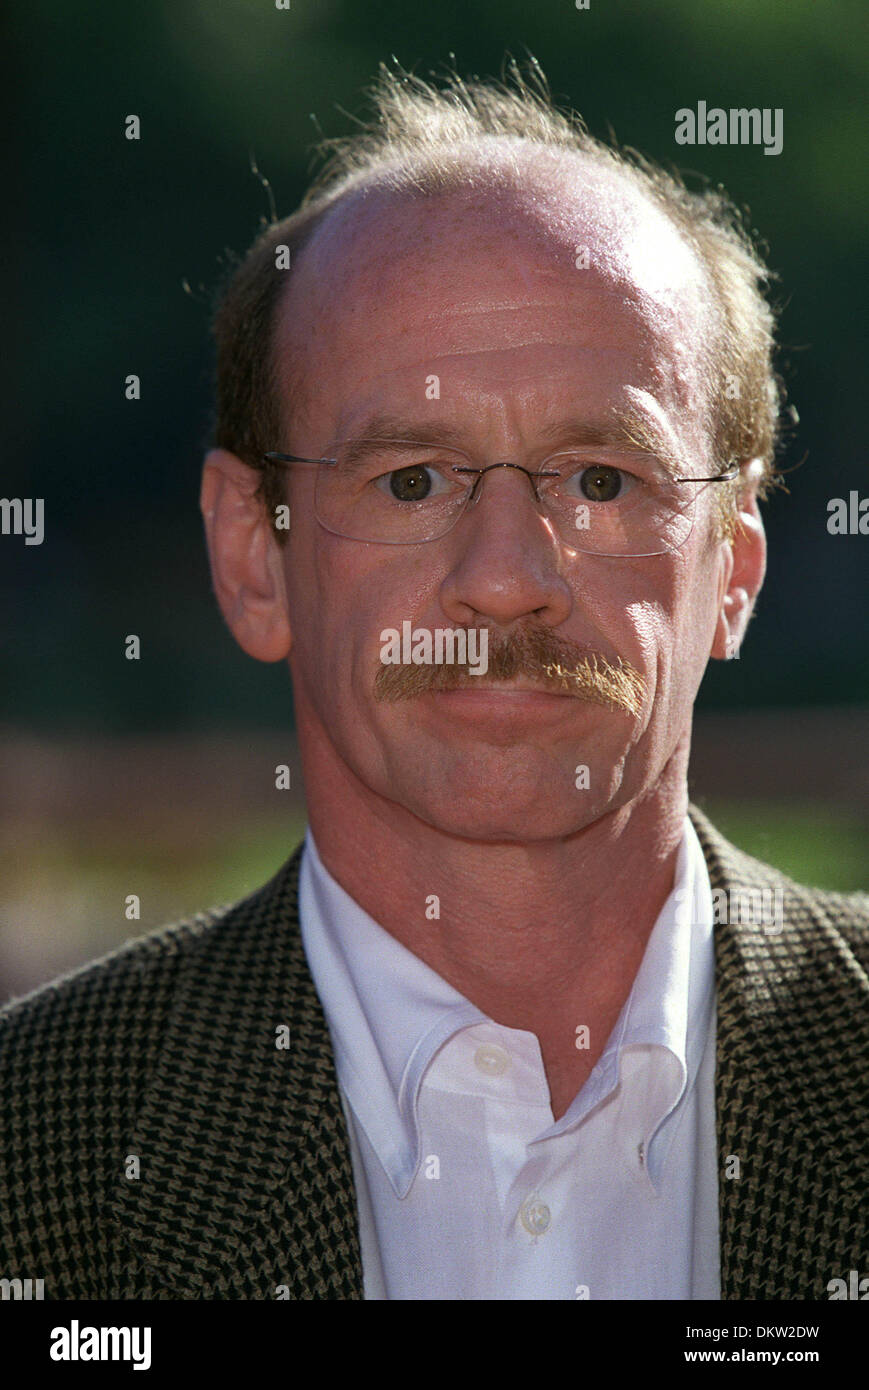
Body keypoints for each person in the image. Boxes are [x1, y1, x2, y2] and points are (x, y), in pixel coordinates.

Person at [1, 60, 866, 1302]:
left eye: (600, 480)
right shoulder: (29, 1155)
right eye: (410, 481)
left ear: (729, 569)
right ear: (254, 551)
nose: (505, 581)